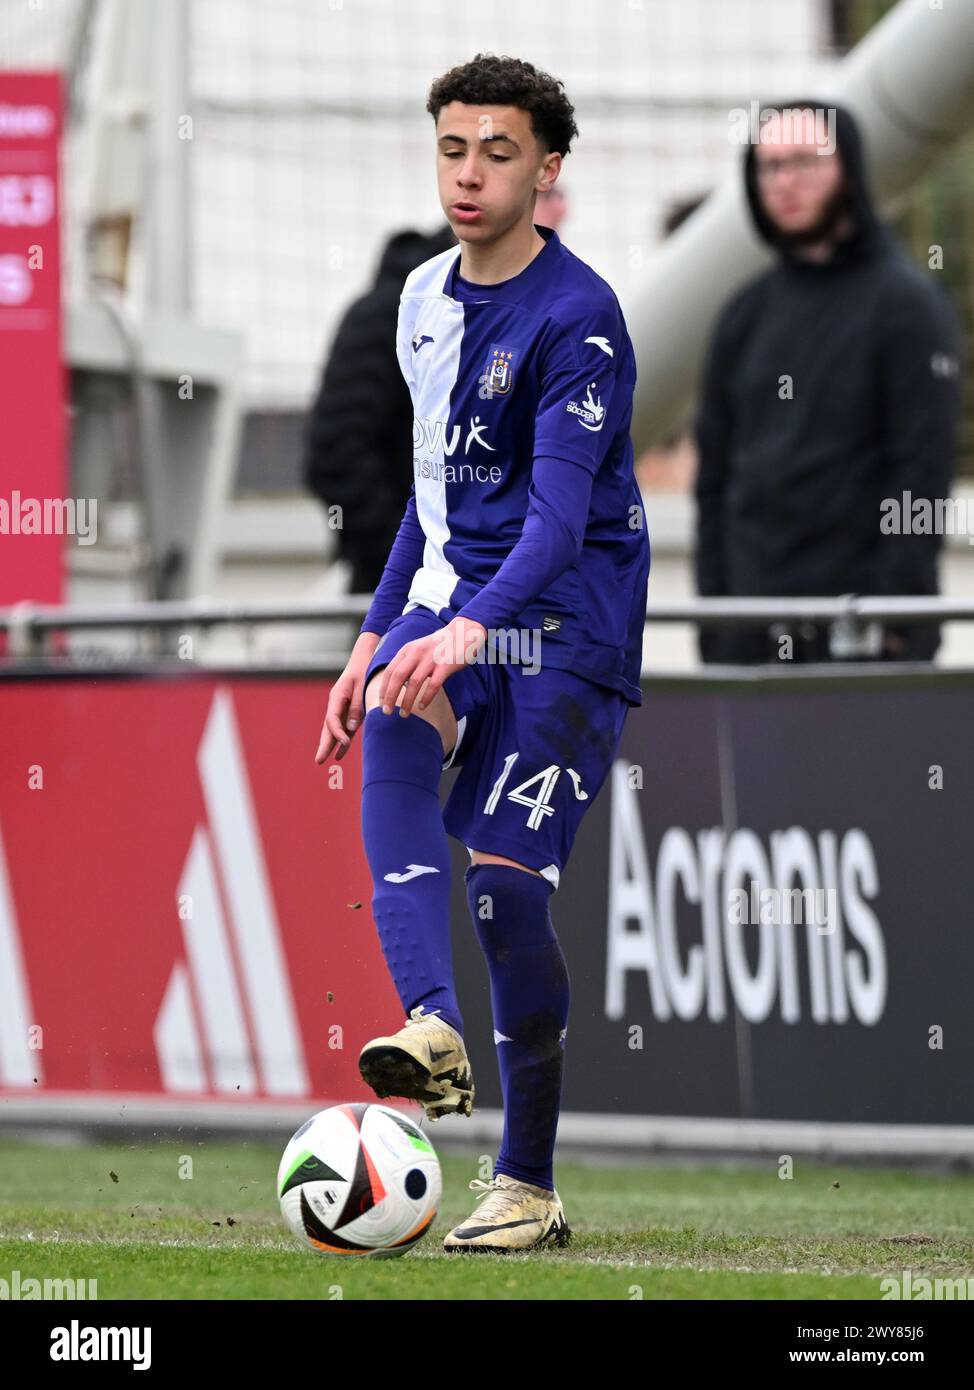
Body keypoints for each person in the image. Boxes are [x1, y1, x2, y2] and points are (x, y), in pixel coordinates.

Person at [313, 53, 650, 1253]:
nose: (468, 172)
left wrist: (460, 628)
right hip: (459, 600)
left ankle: (527, 1185)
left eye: (496, 151)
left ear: (546, 170)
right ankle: (433, 1026)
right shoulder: (417, 300)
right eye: (452, 148)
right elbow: (424, 498)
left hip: (566, 622)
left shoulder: (578, 318)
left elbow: (558, 523)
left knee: (506, 886)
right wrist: (375, 634)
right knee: (389, 714)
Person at [694, 101, 962, 664]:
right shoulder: (744, 313)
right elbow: (714, 482)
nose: (785, 182)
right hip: (748, 633)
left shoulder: (908, 306)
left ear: (850, 171)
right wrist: (714, 615)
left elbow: (922, 474)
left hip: (865, 637)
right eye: (769, 167)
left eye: (804, 162)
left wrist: (893, 615)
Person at [302, 224, 457, 596]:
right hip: (403, 600)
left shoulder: (522, 320)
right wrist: (414, 564)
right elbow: (336, 457)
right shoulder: (387, 314)